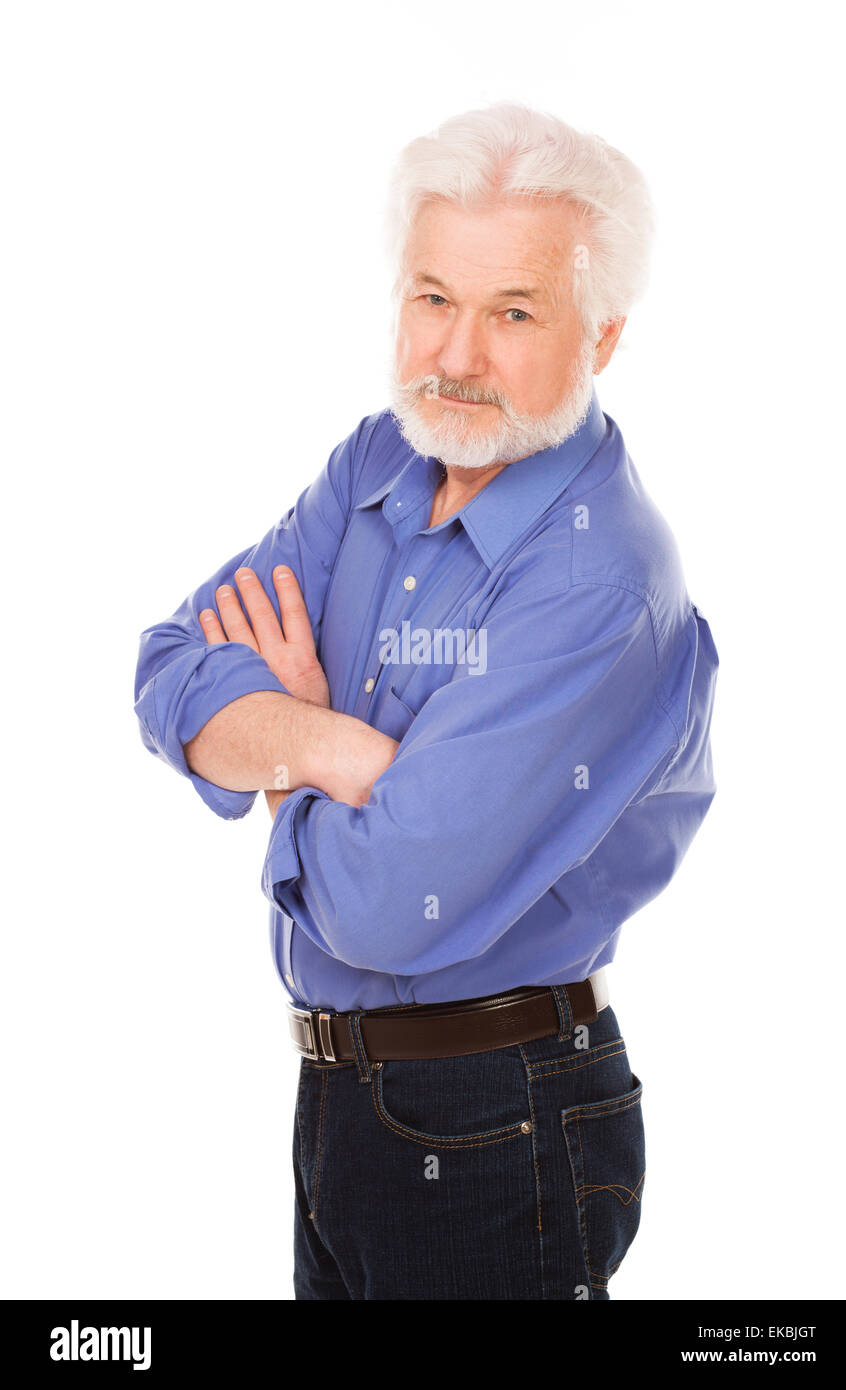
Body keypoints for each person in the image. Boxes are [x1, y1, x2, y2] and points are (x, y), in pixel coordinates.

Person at [134, 102, 719, 1301]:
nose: (454, 354)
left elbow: (382, 906)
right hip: (343, 1102)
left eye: (512, 312)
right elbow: (165, 669)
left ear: (601, 336)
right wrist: (336, 747)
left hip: (493, 1111)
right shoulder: (379, 461)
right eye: (432, 296)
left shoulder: (593, 578)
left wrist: (273, 765)